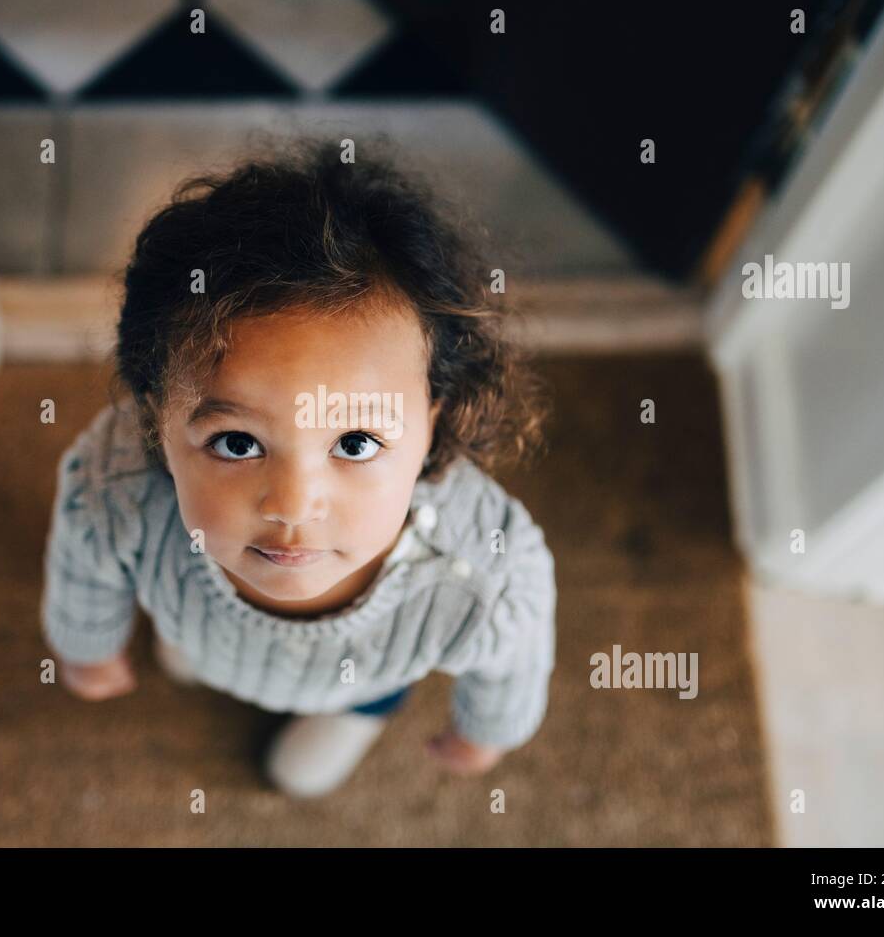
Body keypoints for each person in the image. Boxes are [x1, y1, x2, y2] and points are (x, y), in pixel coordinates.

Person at [41, 137, 557, 798]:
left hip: (363, 678)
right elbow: (81, 567)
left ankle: (350, 712)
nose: (292, 504)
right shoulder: (112, 490)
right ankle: (193, 643)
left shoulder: (483, 574)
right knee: (188, 652)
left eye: (357, 443)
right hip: (196, 621)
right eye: (235, 443)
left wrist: (486, 731)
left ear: (431, 422)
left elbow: (515, 658)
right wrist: (88, 646)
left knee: (299, 777)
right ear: (155, 426)